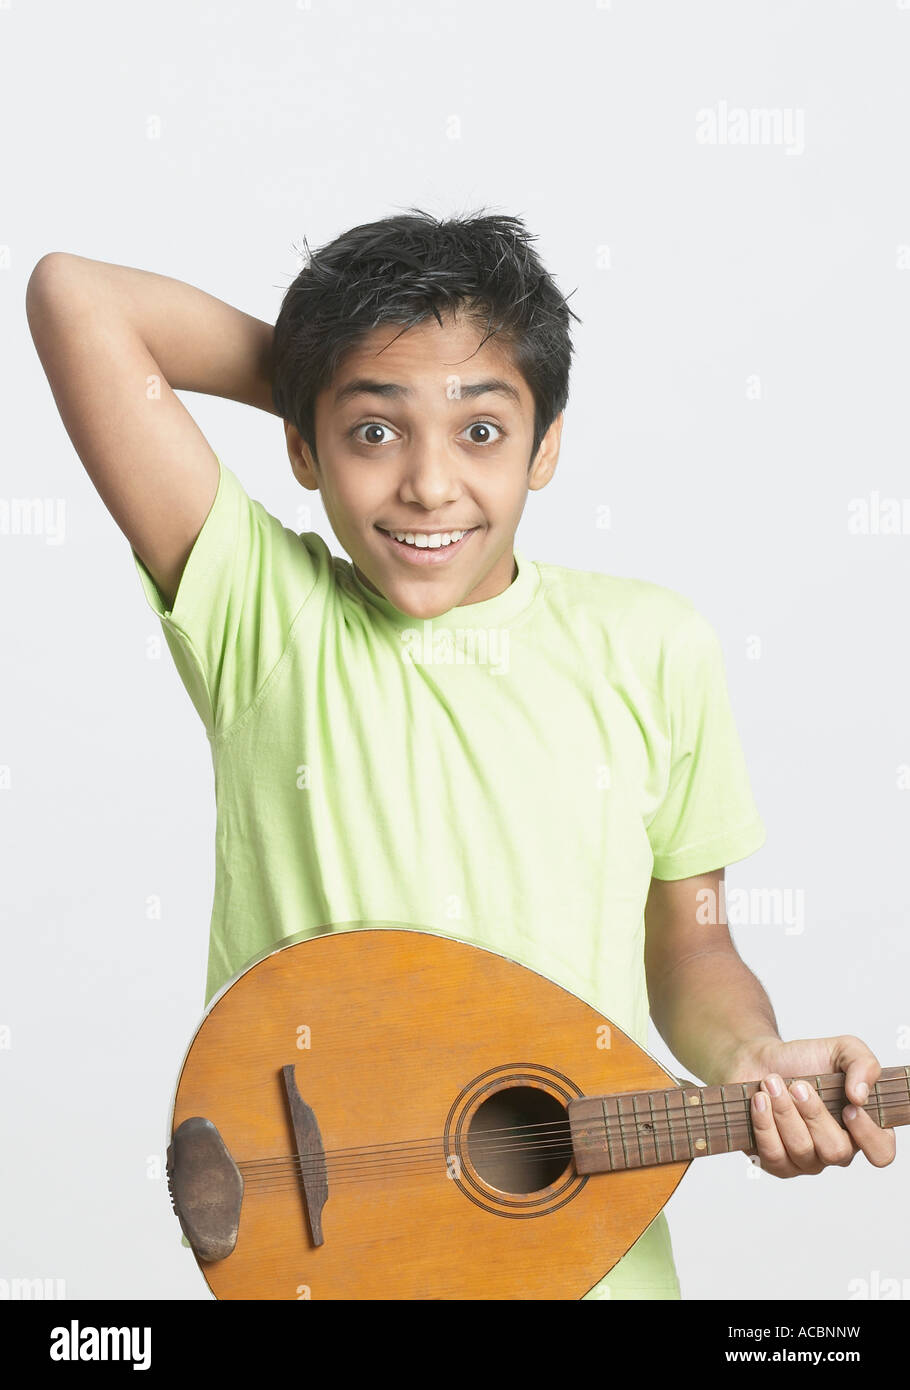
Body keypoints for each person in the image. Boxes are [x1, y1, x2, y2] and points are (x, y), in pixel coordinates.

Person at [25, 208, 896, 1300]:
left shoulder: (652, 644)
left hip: (599, 1273)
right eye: (374, 434)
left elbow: (692, 939)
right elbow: (75, 296)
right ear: (302, 446)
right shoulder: (267, 621)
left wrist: (746, 1060)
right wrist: (327, 376)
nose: (429, 485)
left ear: (549, 441)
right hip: (337, 1272)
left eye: (481, 430)